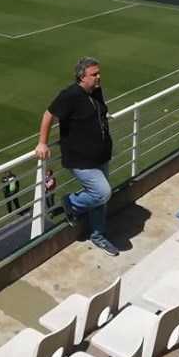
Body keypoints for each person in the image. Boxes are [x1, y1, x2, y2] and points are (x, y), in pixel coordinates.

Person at [36, 56, 118, 256]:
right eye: (94, 74)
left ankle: (98, 236)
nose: (99, 77)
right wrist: (42, 142)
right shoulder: (70, 95)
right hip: (81, 159)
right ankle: (71, 202)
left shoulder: (96, 91)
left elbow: (97, 109)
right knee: (102, 193)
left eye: (99, 73)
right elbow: (49, 114)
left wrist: (103, 115)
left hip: (101, 155)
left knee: (101, 200)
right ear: (82, 77)